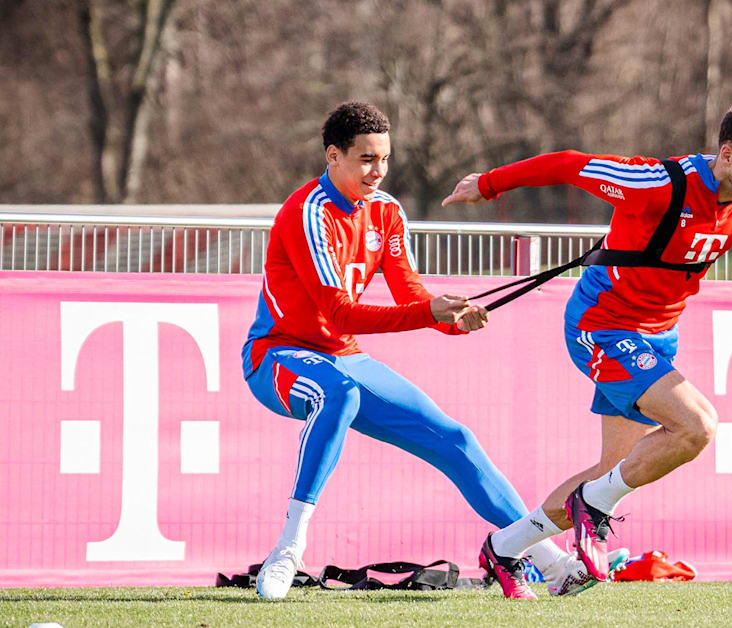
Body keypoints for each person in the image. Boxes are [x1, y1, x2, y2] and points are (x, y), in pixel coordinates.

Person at [442, 94, 732, 597]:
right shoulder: (657, 183)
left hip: (657, 335)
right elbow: (567, 165)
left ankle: (503, 550)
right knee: (697, 426)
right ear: (727, 154)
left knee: (611, 472)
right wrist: (487, 184)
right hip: (601, 325)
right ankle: (595, 507)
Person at [242, 101, 596, 600]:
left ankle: (549, 560)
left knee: (456, 439)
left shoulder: (386, 211)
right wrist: (430, 314)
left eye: (384, 158)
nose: (378, 171)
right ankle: (288, 549)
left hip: (343, 357)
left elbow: (410, 293)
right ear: (333, 156)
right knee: (338, 395)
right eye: (365, 159)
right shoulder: (308, 213)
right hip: (276, 356)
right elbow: (340, 313)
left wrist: (449, 319)